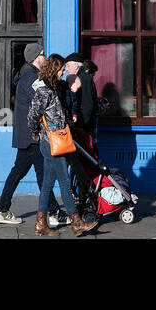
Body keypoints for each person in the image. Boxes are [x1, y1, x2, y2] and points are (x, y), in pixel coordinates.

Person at [0, 43, 66, 227]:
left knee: (20, 172)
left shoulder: (29, 76)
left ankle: (2, 209)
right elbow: (45, 98)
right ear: (36, 57)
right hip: (32, 135)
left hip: (27, 136)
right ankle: (54, 213)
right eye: (43, 54)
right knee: (44, 173)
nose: (46, 58)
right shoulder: (31, 77)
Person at [28, 54, 97, 236]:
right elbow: (32, 116)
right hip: (52, 143)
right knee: (65, 183)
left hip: (57, 140)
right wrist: (38, 133)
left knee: (47, 185)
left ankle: (40, 224)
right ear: (53, 70)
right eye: (61, 69)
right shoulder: (44, 91)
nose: (63, 72)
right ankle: (77, 222)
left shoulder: (55, 88)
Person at [62, 52, 100, 211]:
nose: (65, 69)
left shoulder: (83, 79)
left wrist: (78, 127)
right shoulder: (82, 78)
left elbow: (87, 107)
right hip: (83, 130)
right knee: (81, 166)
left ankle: (85, 199)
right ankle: (83, 197)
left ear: (75, 66)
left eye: (67, 66)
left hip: (83, 131)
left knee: (83, 166)